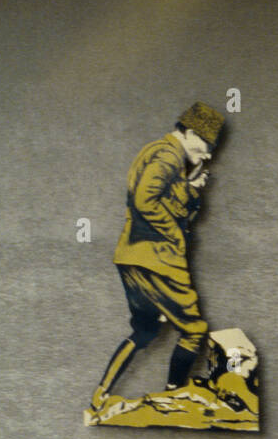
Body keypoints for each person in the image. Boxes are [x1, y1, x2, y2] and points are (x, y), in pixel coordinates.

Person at [90, 102, 225, 412]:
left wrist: (189, 191)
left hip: (130, 257)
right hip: (157, 259)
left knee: (146, 330)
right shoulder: (169, 154)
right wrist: (175, 235)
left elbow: (155, 199)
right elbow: (144, 200)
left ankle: (100, 395)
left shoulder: (155, 151)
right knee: (193, 330)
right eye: (206, 146)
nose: (207, 155)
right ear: (189, 133)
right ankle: (174, 396)